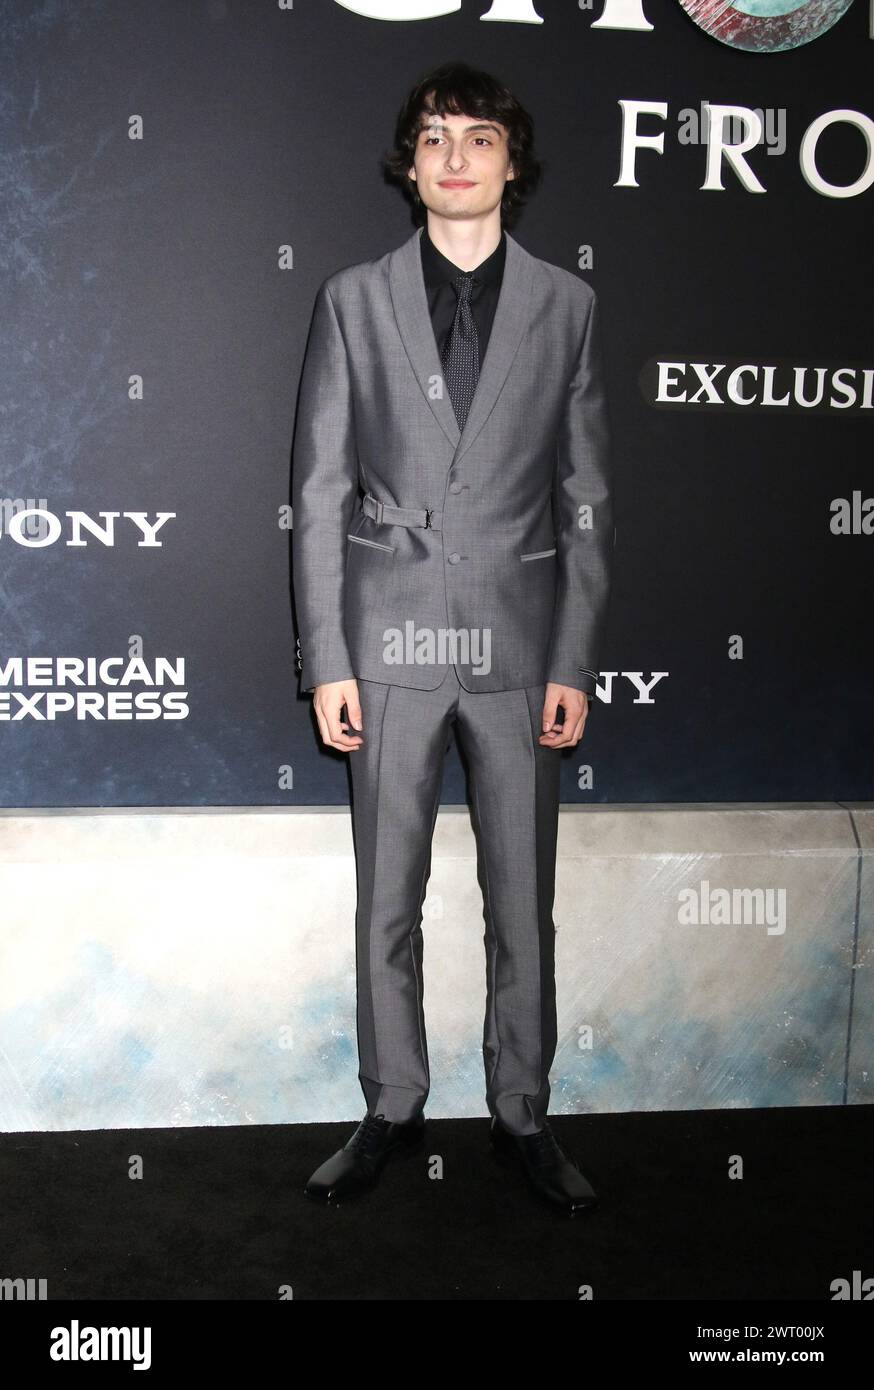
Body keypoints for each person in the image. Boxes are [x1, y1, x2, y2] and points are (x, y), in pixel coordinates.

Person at [291, 60, 613, 1216]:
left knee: (523, 901)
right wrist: (328, 656)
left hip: (523, 658)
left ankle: (522, 1112)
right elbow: (321, 491)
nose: (458, 157)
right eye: (436, 139)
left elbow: (584, 499)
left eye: (480, 138)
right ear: (411, 164)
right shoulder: (350, 300)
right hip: (384, 653)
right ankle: (390, 1103)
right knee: (389, 897)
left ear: (511, 164)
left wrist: (572, 659)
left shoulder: (567, 306)